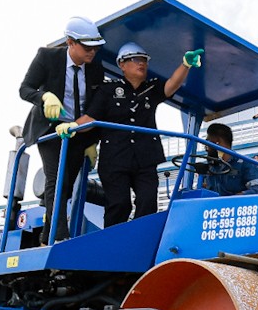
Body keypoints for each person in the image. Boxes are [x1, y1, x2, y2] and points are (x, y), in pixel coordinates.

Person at [58, 42, 199, 227]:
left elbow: (172, 85)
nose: (141, 64)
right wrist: (71, 127)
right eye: (135, 59)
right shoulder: (107, 90)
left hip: (145, 158)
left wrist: (185, 64)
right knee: (119, 204)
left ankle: (140, 242)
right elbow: (90, 118)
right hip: (115, 158)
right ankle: (112, 245)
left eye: (144, 60)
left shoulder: (151, 89)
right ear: (122, 65)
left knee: (148, 202)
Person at [19, 16, 106, 243]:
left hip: (78, 130)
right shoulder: (46, 57)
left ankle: (47, 234)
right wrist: (44, 96)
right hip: (51, 128)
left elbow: (97, 102)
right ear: (70, 42)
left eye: (95, 47)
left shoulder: (95, 66)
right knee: (56, 178)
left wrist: (91, 140)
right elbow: (24, 89)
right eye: (87, 47)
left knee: (67, 183)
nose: (92, 52)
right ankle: (59, 236)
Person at [203, 123, 258, 196]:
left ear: (217, 142)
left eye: (208, 142)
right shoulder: (210, 167)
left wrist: (234, 199)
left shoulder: (245, 163)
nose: (207, 148)